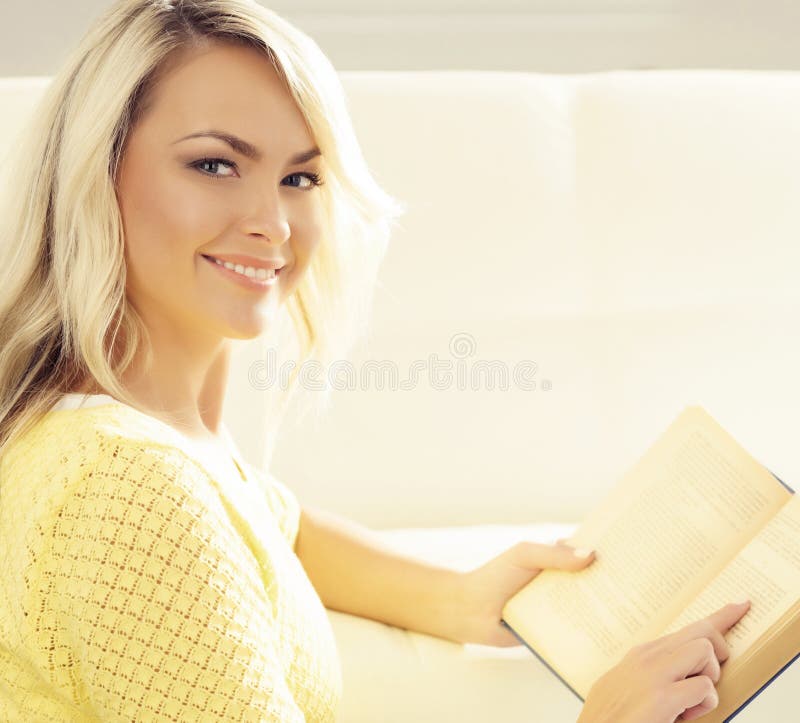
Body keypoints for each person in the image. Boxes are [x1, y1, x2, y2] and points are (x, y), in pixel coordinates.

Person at [0, 1, 750, 721]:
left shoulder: (137, 437)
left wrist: (457, 596)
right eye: (216, 165)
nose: (273, 224)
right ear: (94, 174)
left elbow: (267, 523)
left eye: (300, 178)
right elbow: (170, 525)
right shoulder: (126, 487)